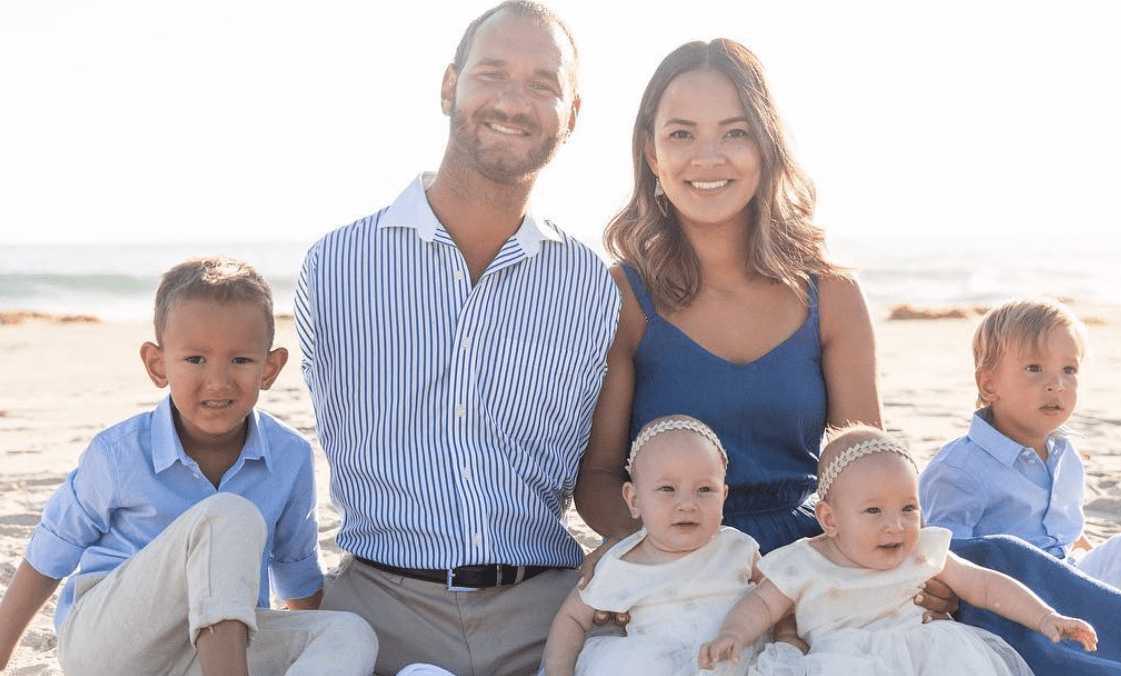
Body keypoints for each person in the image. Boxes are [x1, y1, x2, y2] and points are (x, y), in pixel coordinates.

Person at [575, 37, 1121, 675]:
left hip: (819, 546)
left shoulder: (831, 293)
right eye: (681, 134)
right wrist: (647, 559)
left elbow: (864, 460)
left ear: (766, 148)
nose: (708, 156)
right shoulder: (623, 296)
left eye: (734, 133)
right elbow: (598, 479)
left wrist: (886, 553)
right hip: (693, 554)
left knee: (996, 566)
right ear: (650, 151)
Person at [293, 2, 620, 674]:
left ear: (573, 114)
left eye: (542, 84)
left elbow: (601, 468)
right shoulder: (335, 266)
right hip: (378, 608)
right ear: (448, 87)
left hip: (546, 611)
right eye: (491, 74)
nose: (513, 100)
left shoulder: (591, 285)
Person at [0, 257, 377, 676]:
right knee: (228, 515)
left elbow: (296, 574)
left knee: (349, 632)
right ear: (157, 365)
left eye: (241, 361)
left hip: (217, 652)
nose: (218, 381)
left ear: (269, 368)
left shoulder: (289, 456)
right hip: (109, 649)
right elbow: (47, 558)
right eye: (196, 359)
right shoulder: (117, 453)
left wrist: (311, 635)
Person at [700, 425, 1097, 675]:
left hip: (931, 655)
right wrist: (732, 634)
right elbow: (762, 604)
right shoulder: (804, 561)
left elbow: (986, 587)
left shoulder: (921, 550)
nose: (895, 525)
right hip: (840, 661)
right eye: (873, 511)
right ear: (830, 518)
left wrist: (1045, 617)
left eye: (908, 508)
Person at [920, 297, 1121, 627]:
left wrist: (1104, 568)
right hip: (1017, 608)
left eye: (1069, 370)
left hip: (1072, 583)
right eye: (1034, 368)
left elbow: (1068, 534)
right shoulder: (960, 469)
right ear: (989, 384)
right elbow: (943, 561)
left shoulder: (1065, 454)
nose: (1056, 384)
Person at [543, 415, 781, 676]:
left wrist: (788, 640)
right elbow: (573, 618)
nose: (687, 503)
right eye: (668, 489)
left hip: (737, 660)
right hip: (655, 665)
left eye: (704, 489)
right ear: (634, 500)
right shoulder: (624, 562)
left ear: (723, 496)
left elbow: (780, 596)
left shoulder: (738, 548)